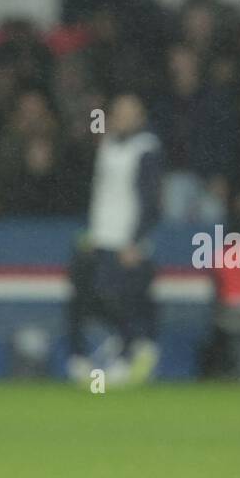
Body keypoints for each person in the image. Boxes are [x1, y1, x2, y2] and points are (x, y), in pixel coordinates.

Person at [67, 93, 162, 384]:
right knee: (82, 296)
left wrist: (136, 240)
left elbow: (150, 199)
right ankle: (82, 356)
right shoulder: (106, 144)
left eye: (127, 113)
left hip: (125, 240)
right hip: (99, 236)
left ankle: (128, 354)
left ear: (140, 117)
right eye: (116, 111)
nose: (120, 117)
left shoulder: (146, 148)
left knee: (122, 299)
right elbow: (99, 190)